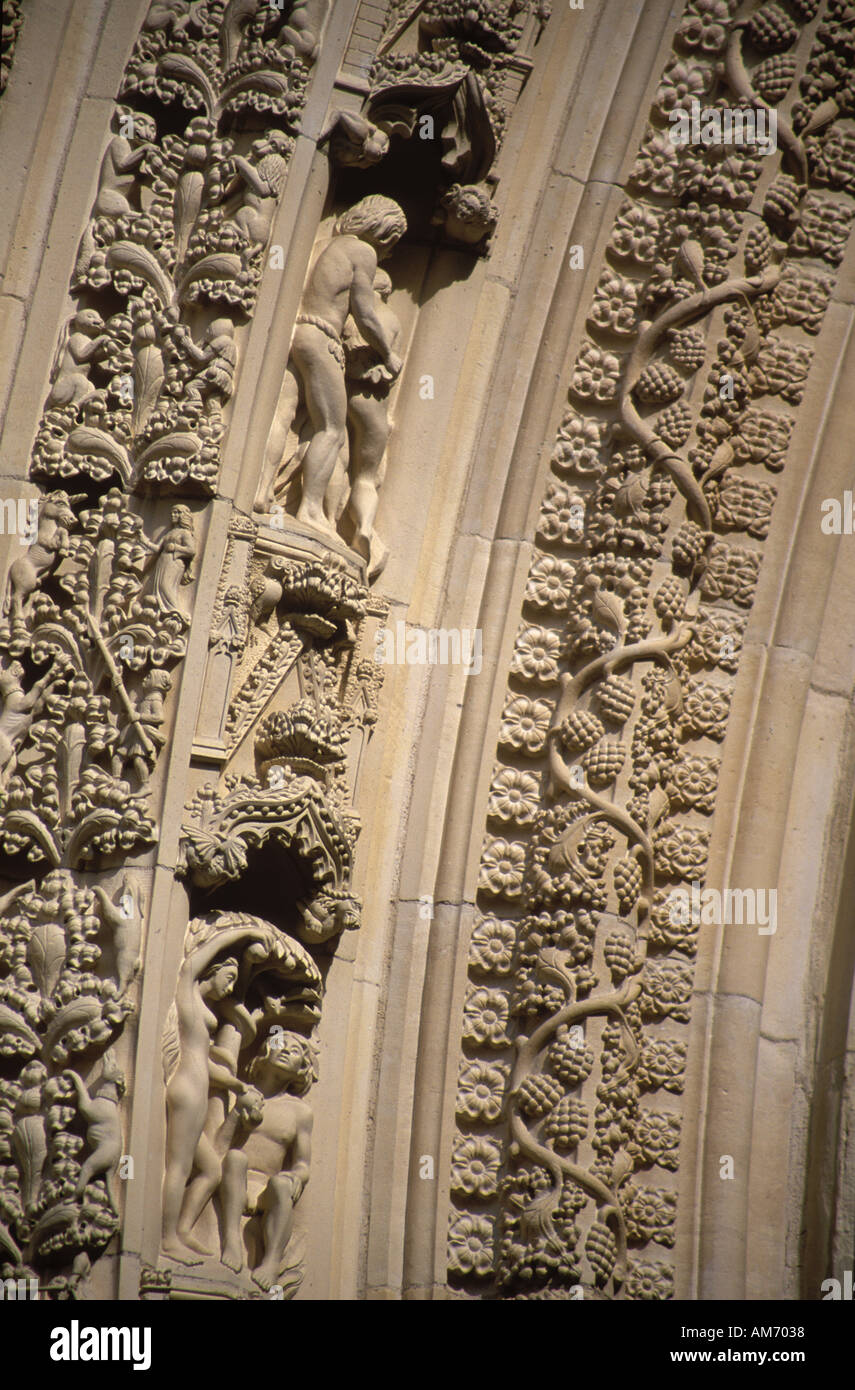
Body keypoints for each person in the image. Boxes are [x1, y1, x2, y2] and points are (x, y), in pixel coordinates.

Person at [257, 195, 407, 528]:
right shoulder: (362, 252)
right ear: (382, 232)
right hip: (323, 337)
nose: (388, 252)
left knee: (282, 414)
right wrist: (388, 353)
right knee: (333, 430)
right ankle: (310, 510)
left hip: (297, 331)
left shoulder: (324, 244)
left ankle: (259, 488)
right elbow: (365, 313)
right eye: (391, 242)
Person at [161, 924, 272, 1264]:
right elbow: (191, 964)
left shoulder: (200, 1011)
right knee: (178, 1166)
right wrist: (243, 932)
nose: (232, 984)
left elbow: (205, 1063)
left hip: (197, 1081)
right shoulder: (189, 993)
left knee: (211, 1169)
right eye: (229, 975)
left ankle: (181, 1229)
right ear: (213, 970)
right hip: (186, 1088)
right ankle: (165, 1239)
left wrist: (237, 1085)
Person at [218, 1032, 317, 1289]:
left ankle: (271, 1261)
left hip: (266, 1188)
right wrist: (238, 1113)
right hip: (235, 1180)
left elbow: (303, 1163)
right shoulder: (240, 1094)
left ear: (301, 1069)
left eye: (295, 1051)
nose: (285, 1050)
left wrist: (297, 1176)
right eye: (279, 1044)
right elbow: (219, 1148)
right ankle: (231, 1240)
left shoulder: (300, 1112)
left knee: (282, 1185)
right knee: (236, 1157)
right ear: (264, 1052)